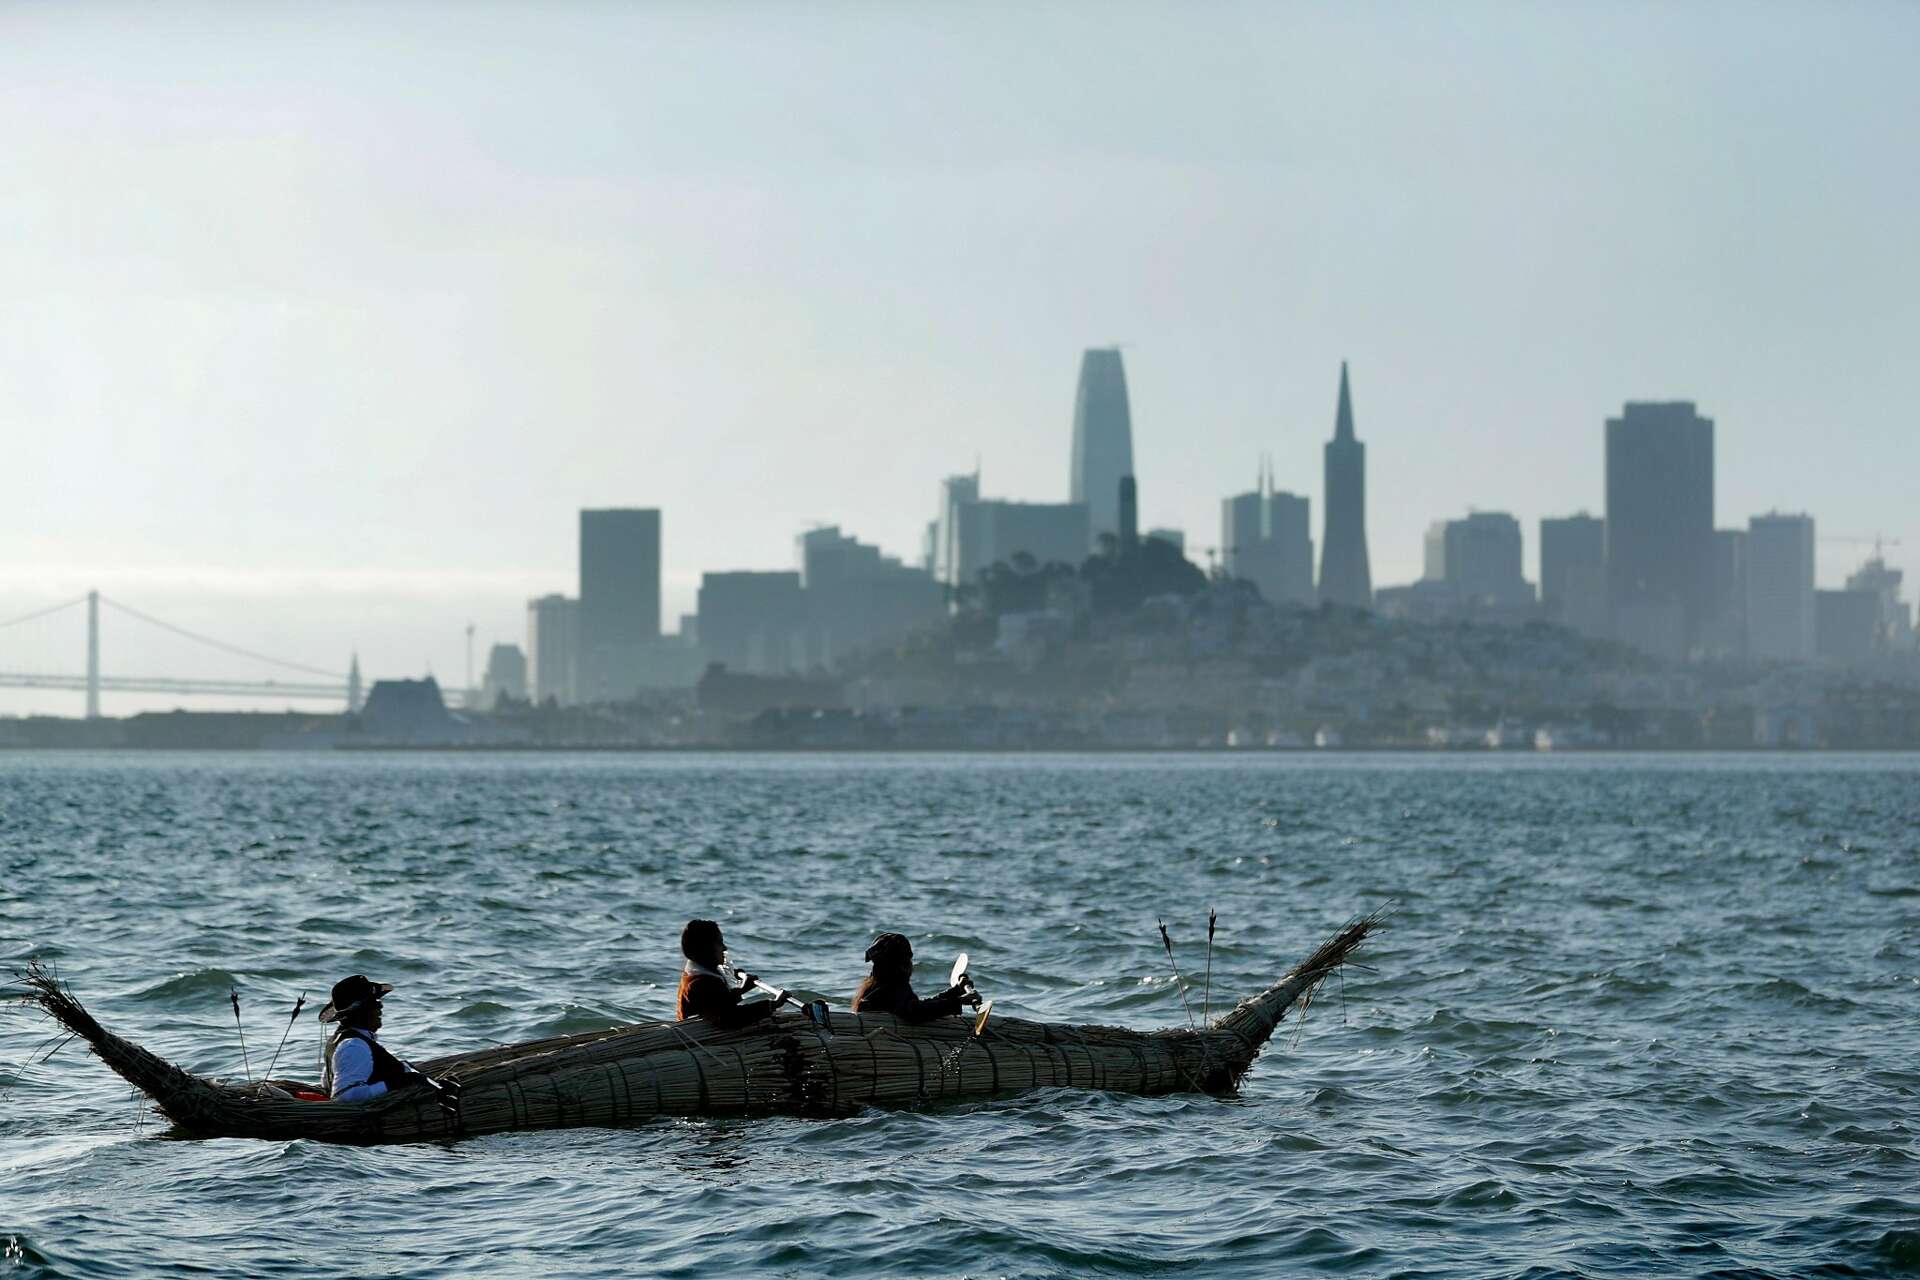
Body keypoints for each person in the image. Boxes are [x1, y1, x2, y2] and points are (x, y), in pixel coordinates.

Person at [318, 974, 429, 1102]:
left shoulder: (339, 1040)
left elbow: (327, 1084)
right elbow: (345, 1097)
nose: (380, 1006)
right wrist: (398, 1082)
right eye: (374, 1003)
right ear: (360, 1012)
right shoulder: (354, 1045)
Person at [676, 919, 788, 1028]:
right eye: (719, 943)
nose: (725, 948)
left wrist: (743, 989)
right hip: (702, 1035)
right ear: (705, 949)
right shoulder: (701, 982)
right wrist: (773, 1004)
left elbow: (719, 1002)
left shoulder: (697, 972)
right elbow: (730, 1017)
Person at [850, 932, 981, 1023]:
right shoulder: (891, 988)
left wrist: (955, 991)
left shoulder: (876, 986)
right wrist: (959, 1001)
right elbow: (915, 1012)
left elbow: (917, 1006)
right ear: (902, 964)